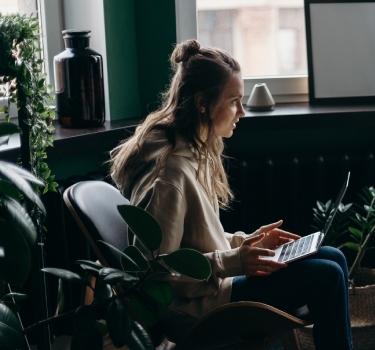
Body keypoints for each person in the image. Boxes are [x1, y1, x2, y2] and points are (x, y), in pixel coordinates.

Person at [110, 40, 352, 349]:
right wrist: (234, 262)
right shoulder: (168, 175)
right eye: (234, 100)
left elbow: (196, 238)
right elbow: (155, 273)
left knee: (333, 257)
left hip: (214, 287)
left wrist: (247, 243)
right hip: (195, 309)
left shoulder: (192, 151)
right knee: (327, 275)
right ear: (202, 103)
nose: (242, 111)